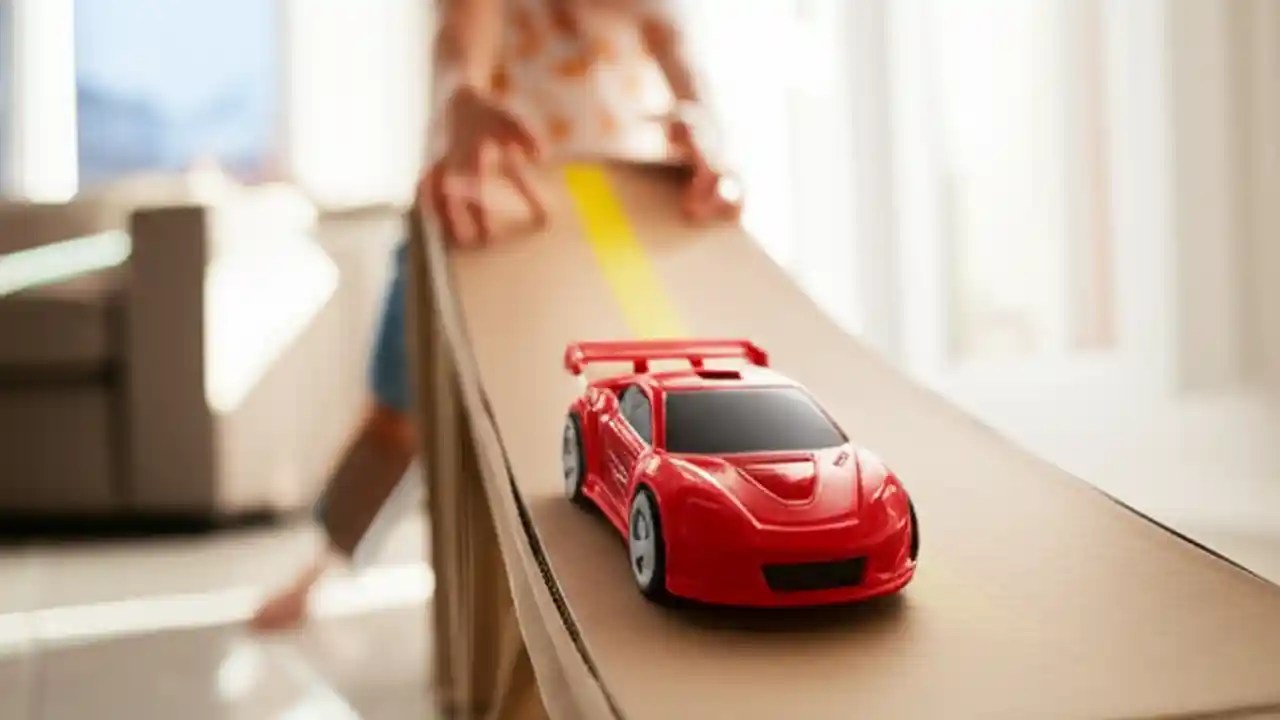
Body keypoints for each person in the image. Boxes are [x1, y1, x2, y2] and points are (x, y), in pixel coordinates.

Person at [249, 0, 740, 632]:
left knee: (604, 410)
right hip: (479, 205)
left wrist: (705, 128)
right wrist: (458, 99)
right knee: (396, 413)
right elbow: (460, 43)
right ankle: (318, 568)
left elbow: (678, 51)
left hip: (606, 220)